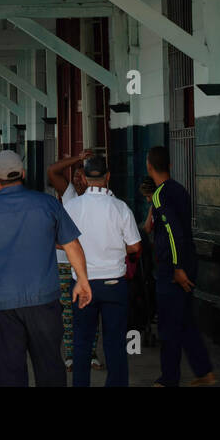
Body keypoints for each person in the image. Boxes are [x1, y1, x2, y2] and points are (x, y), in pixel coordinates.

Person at [0, 150, 92, 387]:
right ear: (23, 174)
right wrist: (83, 279)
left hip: (1, 306)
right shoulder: (47, 203)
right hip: (44, 303)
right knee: (50, 368)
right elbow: (72, 244)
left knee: (8, 374)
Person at [62, 152, 141, 387]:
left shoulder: (72, 207)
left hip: (82, 284)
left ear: (84, 179)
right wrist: (114, 249)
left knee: (82, 342)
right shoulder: (120, 207)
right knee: (115, 343)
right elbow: (135, 246)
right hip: (114, 285)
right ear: (107, 177)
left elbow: (60, 241)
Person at [146, 145, 216, 387]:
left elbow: (173, 231)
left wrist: (177, 267)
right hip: (190, 263)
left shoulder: (159, 195)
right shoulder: (181, 190)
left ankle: (169, 379)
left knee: (168, 326)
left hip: (173, 270)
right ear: (171, 166)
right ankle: (204, 372)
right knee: (185, 321)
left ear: (149, 166)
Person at [47, 148, 101, 370]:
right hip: (63, 262)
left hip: (90, 262)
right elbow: (52, 171)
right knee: (68, 311)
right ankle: (71, 354)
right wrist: (79, 158)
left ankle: (91, 353)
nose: (77, 179)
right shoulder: (68, 194)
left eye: (82, 175)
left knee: (89, 308)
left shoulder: (100, 199)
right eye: (76, 175)